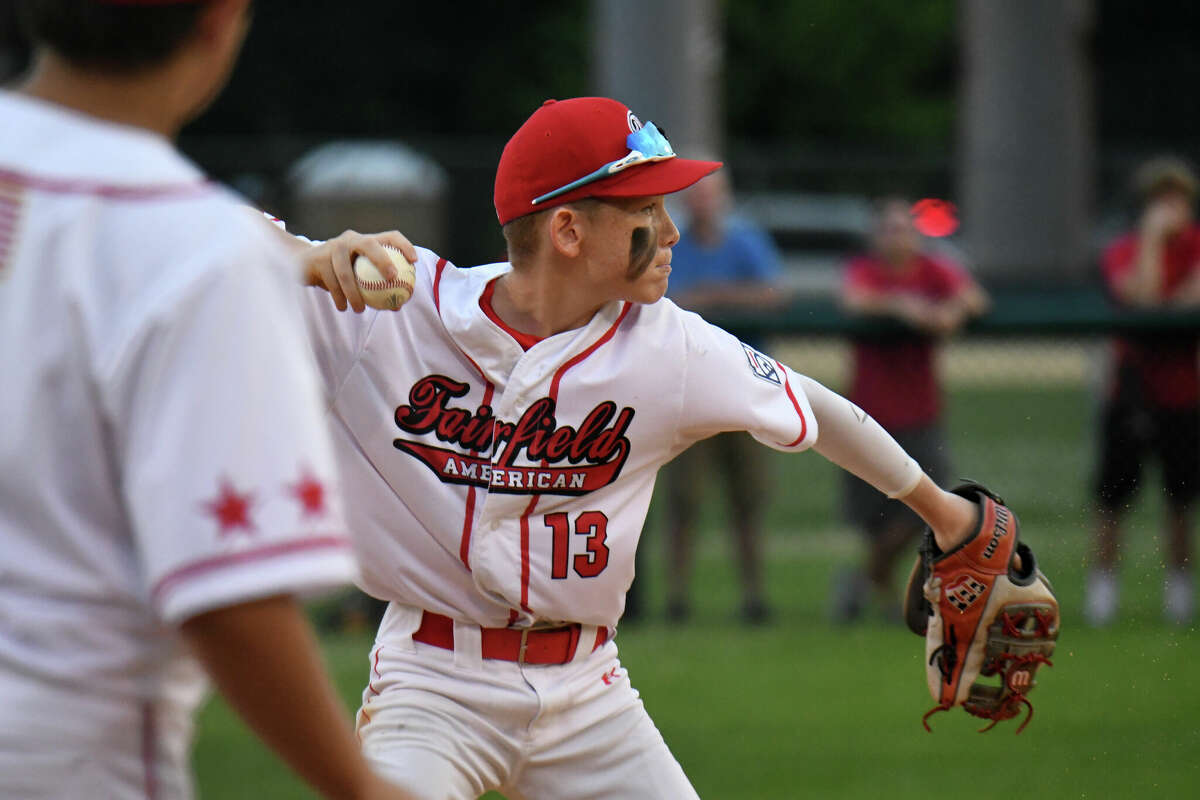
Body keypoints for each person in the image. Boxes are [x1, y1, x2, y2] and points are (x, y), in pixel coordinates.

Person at [285, 97, 989, 799]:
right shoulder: (391, 314)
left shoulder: (667, 345)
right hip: (433, 685)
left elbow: (819, 410)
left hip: (588, 692)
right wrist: (306, 257)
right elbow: (207, 236)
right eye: (645, 212)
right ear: (567, 230)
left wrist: (947, 517)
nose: (672, 231)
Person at [0, 2, 414, 798]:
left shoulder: (200, 244)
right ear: (220, 21)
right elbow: (232, 600)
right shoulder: (200, 254)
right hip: (60, 758)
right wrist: (364, 789)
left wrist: (306, 255)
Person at [833, 197, 989, 622]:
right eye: (889, 229)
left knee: (927, 505)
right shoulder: (865, 270)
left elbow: (974, 298)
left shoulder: (933, 269)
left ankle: (862, 584)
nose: (897, 237)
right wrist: (903, 306)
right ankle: (885, 597)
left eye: (905, 229)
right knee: (876, 518)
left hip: (920, 413)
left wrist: (949, 312)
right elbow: (852, 299)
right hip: (868, 414)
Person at [657, 168, 786, 623]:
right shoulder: (672, 241)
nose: (702, 204)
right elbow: (659, 304)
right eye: (694, 196)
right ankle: (677, 598)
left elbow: (774, 294)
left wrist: (713, 296)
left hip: (747, 390)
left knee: (748, 499)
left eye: (710, 195)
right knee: (684, 500)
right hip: (687, 391)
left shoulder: (747, 242)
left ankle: (754, 596)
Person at [1087, 156, 1200, 627]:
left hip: (1184, 395)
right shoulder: (1123, 249)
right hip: (1129, 393)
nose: (1169, 208)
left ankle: (1178, 595)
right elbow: (1144, 299)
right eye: (1160, 200)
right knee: (1112, 499)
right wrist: (1152, 241)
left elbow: (1181, 307)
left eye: (1177, 199)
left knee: (1180, 500)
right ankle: (1103, 596)